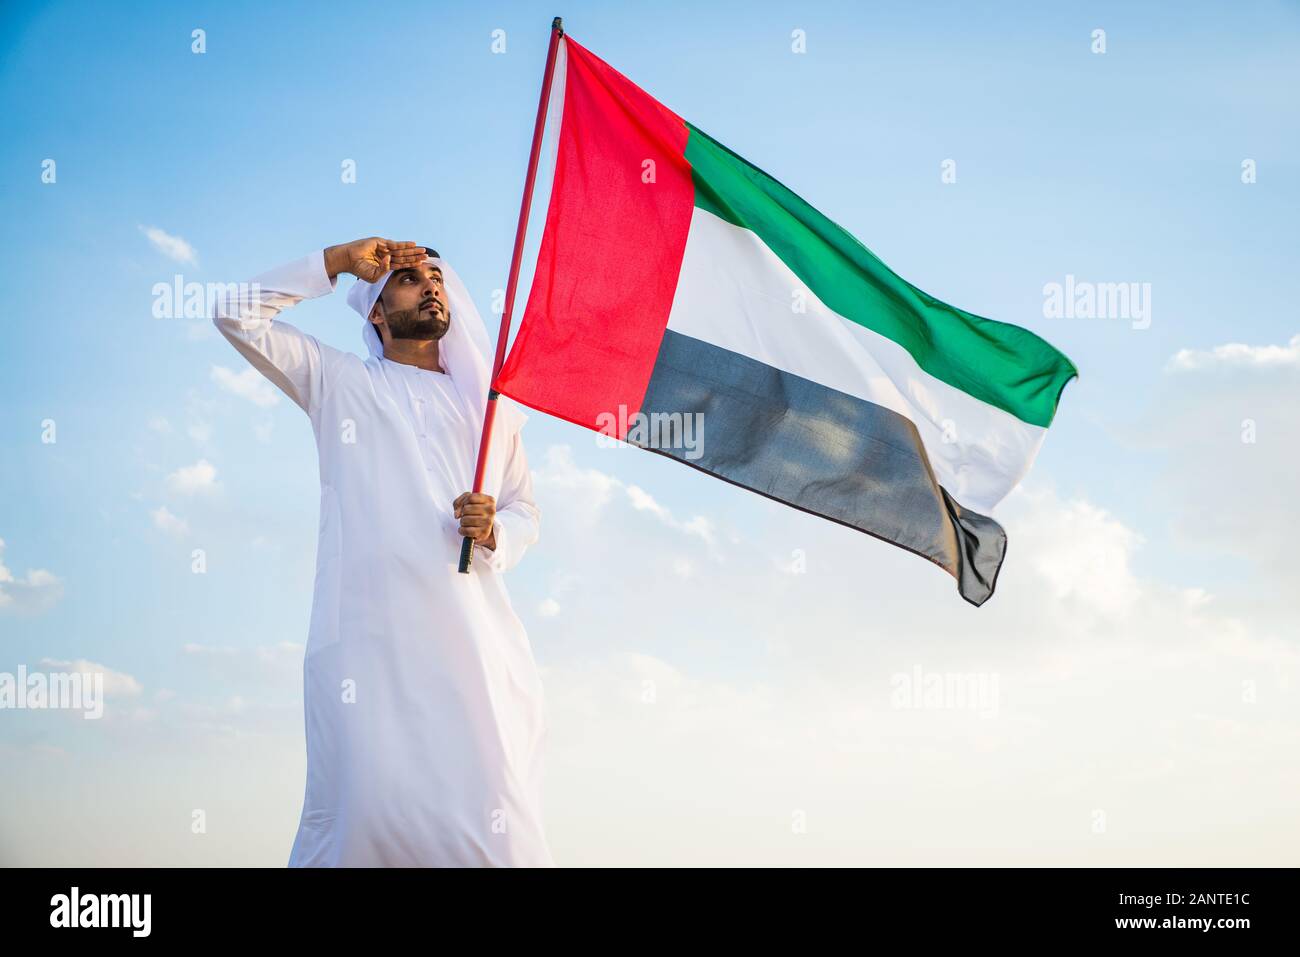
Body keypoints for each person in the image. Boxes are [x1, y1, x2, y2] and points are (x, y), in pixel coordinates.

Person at [211, 237, 552, 866]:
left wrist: (497, 530)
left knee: (491, 815)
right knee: (365, 816)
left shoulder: (488, 410)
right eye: (407, 279)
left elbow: (524, 509)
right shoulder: (338, 382)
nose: (429, 286)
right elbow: (234, 312)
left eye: (435, 277)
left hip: (473, 641)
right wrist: (337, 262)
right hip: (368, 648)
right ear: (374, 310)